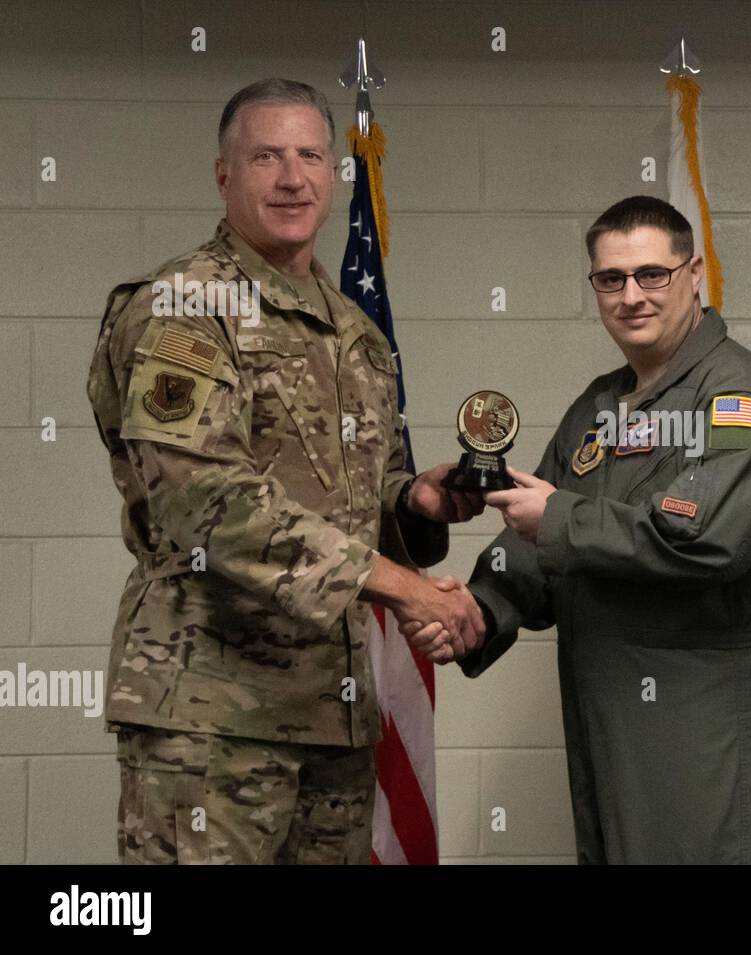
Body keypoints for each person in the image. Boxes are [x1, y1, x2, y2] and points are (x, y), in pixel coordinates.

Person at [85, 78, 483, 864]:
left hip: (332, 711)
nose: (293, 177)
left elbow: (356, 502)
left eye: (309, 156)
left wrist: (414, 501)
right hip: (211, 715)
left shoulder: (355, 332)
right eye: (267, 156)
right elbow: (204, 501)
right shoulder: (184, 306)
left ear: (334, 174)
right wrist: (402, 588)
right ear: (223, 174)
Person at [405, 196, 751, 864]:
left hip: (704, 720)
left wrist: (558, 517)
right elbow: (534, 540)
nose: (631, 295)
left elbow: (708, 541)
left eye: (652, 274)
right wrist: (478, 609)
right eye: (611, 278)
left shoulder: (739, 400)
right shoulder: (598, 407)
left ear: (694, 274)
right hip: (605, 715)